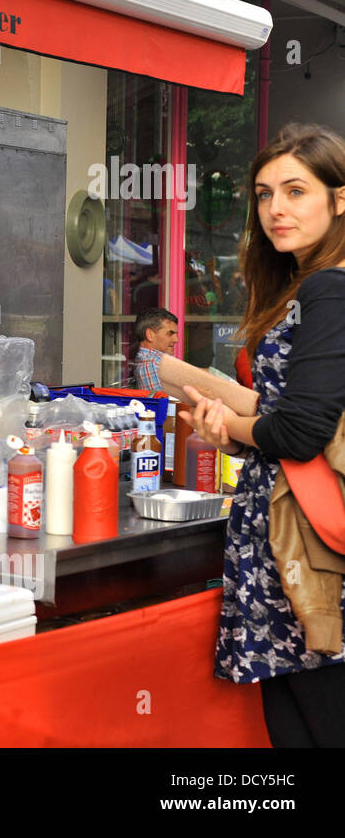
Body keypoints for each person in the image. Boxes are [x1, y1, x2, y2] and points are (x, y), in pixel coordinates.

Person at [156, 123, 345, 747]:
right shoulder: (308, 283)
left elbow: (299, 429)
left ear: (340, 199)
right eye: (264, 195)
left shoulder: (330, 287)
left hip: (308, 547)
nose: (276, 210)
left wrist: (230, 425)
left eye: (296, 191)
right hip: (291, 534)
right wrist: (235, 436)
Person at [130, 307, 178, 391]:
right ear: (150, 335)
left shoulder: (156, 361)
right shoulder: (152, 362)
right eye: (170, 334)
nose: (176, 340)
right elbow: (166, 402)